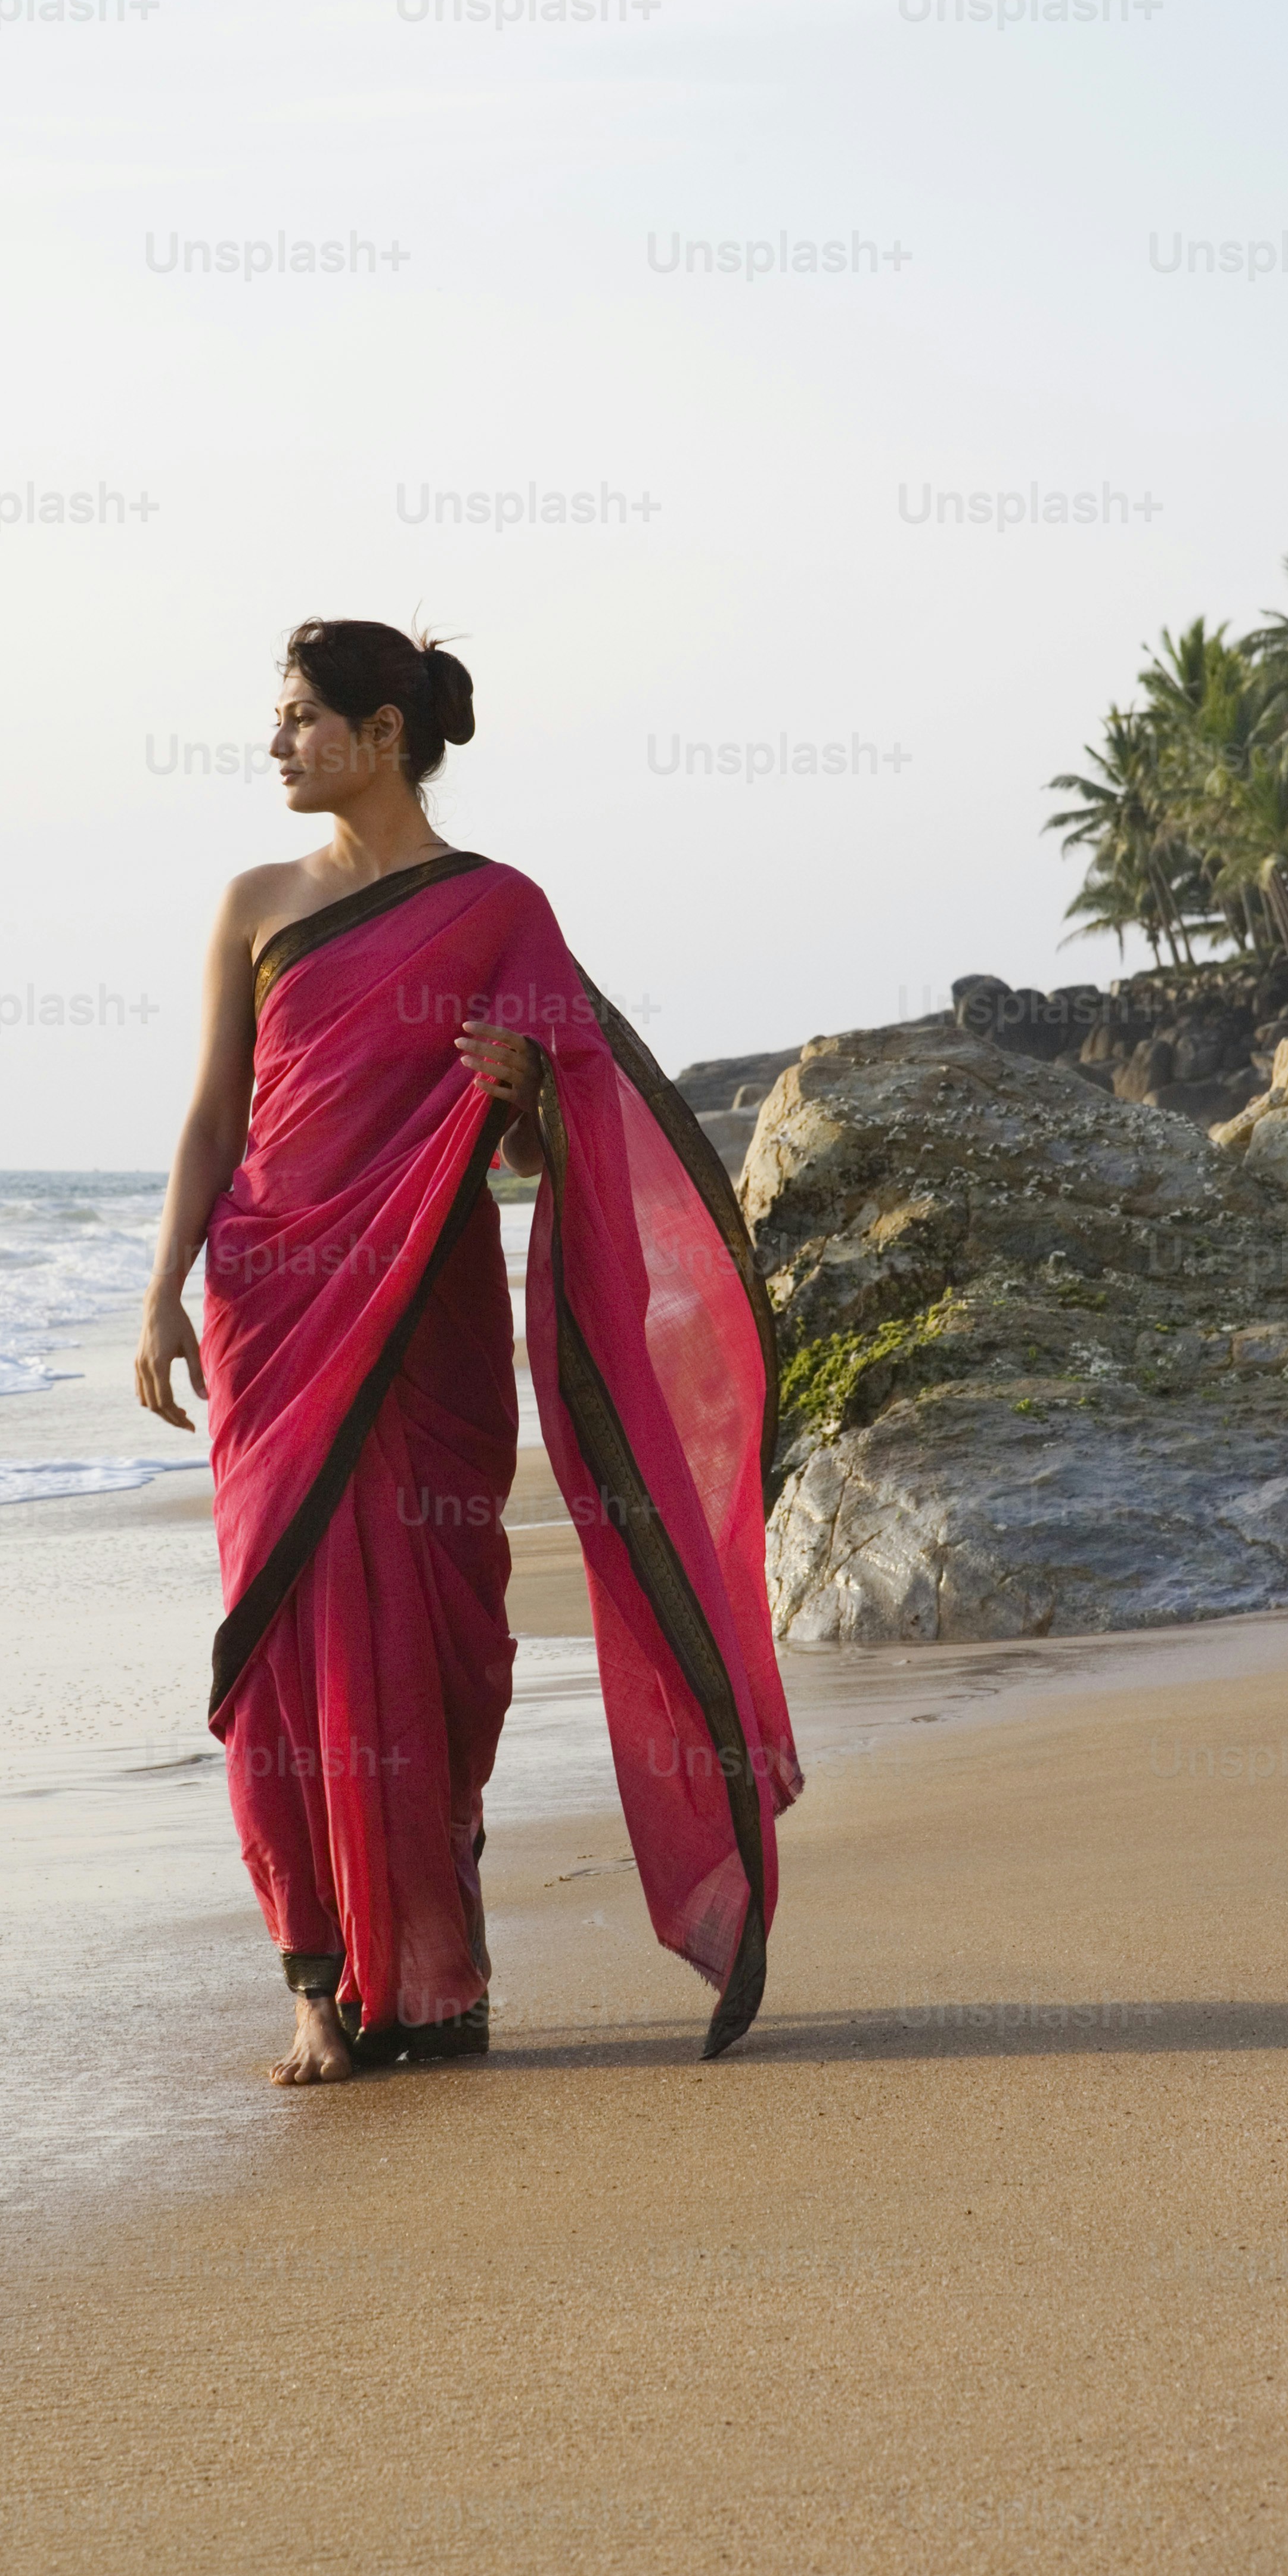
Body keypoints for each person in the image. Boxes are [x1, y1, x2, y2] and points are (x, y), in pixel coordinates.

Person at [134, 619, 800, 2085]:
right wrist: (162, 1288)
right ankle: (316, 1984)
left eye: (302, 717)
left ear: (383, 734)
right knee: (281, 1637)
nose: (276, 742)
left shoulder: (498, 911)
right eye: (278, 716)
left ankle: (436, 1971)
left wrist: (523, 1091)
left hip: (424, 1312)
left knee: (442, 1642)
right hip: (271, 1305)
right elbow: (214, 1114)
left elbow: (564, 1125)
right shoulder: (254, 904)